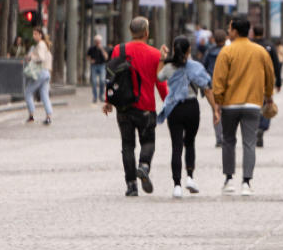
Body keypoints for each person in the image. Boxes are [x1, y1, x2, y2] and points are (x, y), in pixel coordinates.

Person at [210, 16, 276, 196]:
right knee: (249, 143)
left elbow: (219, 80)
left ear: (235, 31)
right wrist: (268, 96)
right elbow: (270, 76)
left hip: (230, 104)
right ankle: (247, 182)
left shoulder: (226, 52)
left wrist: (217, 102)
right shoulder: (260, 51)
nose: (228, 31)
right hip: (253, 104)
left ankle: (229, 179)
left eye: (230, 28)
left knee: (228, 141)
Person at [102, 16, 168, 196]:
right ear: (146, 32)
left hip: (123, 107)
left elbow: (111, 77)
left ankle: (131, 185)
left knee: (127, 145)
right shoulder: (155, 54)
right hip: (146, 107)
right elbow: (161, 83)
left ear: (131, 32)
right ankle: (144, 166)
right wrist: (168, 103)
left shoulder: (118, 50)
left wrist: (108, 101)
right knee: (148, 142)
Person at [156, 35, 212, 198]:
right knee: (190, 143)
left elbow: (158, 76)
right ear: (189, 50)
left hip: (174, 108)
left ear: (174, 50)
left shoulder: (168, 67)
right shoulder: (195, 66)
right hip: (191, 107)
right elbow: (207, 86)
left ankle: (177, 185)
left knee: (176, 146)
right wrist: (215, 109)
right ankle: (190, 177)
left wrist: (162, 58)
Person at [253, 24, 283, 148]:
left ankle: (254, 127)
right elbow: (276, 65)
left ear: (253, 33)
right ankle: (262, 127)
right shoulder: (270, 46)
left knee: (254, 106)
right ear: (264, 32)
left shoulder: (251, 46)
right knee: (267, 104)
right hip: (266, 81)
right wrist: (278, 82)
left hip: (252, 81)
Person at [23, 27, 54, 125]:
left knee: (28, 92)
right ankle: (48, 116)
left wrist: (31, 57)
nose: (34, 36)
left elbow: (41, 58)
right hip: (46, 73)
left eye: (35, 34)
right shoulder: (45, 45)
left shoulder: (40, 45)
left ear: (40, 35)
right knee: (44, 95)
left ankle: (31, 115)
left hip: (40, 72)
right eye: (33, 34)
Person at [87, 35, 109, 105]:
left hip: (102, 65)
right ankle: (95, 96)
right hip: (94, 66)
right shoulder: (91, 48)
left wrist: (101, 49)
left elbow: (106, 57)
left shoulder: (104, 48)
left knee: (102, 80)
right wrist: (91, 60)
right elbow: (88, 56)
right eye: (96, 41)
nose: (98, 43)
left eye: (99, 41)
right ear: (95, 42)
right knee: (94, 81)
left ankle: (101, 95)